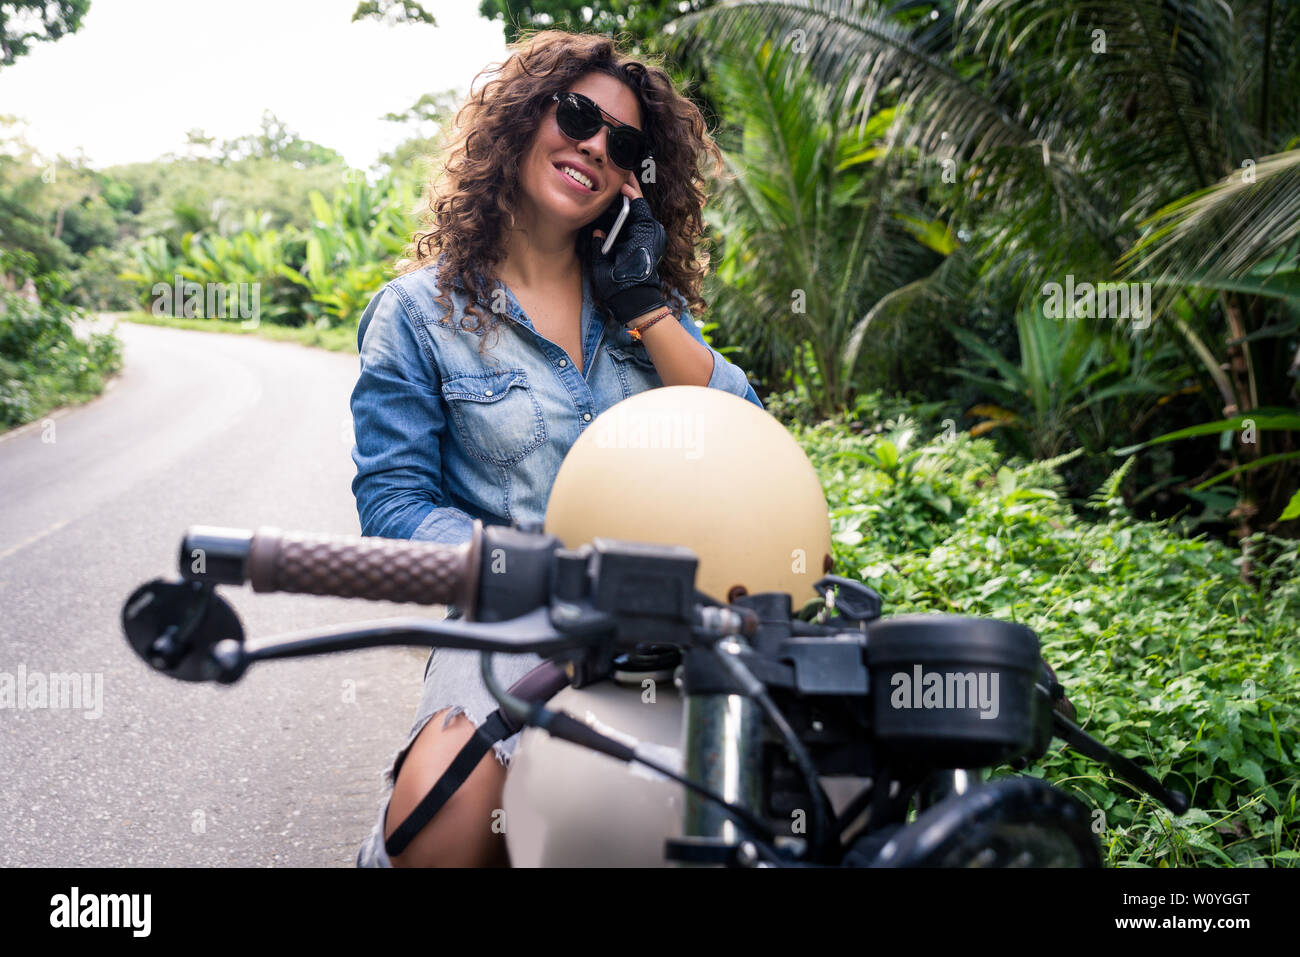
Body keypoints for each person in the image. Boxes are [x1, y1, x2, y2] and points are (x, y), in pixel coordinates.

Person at [350, 29, 762, 867]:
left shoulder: (642, 310)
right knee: (444, 812)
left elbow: (746, 435)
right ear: (519, 118)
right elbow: (394, 504)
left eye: (625, 144)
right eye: (577, 114)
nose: (595, 146)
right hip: (508, 623)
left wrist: (646, 305)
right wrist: (535, 568)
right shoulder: (414, 315)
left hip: (667, 627)